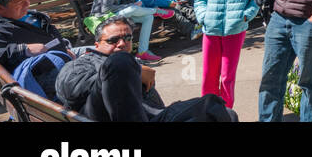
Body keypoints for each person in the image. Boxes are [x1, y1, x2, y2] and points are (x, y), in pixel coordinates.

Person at [55, 17, 234, 122]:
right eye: (113, 40)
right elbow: (68, 90)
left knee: (222, 112)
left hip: (152, 116)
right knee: (120, 61)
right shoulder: (82, 62)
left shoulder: (131, 63)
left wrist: (132, 70)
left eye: (127, 38)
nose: (122, 43)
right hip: (101, 116)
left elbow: (153, 106)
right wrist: (130, 71)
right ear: (97, 44)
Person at [0, 0, 75, 94]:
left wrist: (64, 47)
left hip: (63, 57)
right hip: (43, 75)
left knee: (101, 56)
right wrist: (23, 49)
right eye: (20, 2)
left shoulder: (25, 16)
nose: (27, 4)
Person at [89, 0, 160, 63]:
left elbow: (129, 5)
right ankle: (156, 11)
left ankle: (142, 52)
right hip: (103, 18)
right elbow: (105, 9)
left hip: (119, 15)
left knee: (147, 17)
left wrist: (132, 6)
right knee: (133, 8)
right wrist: (131, 6)